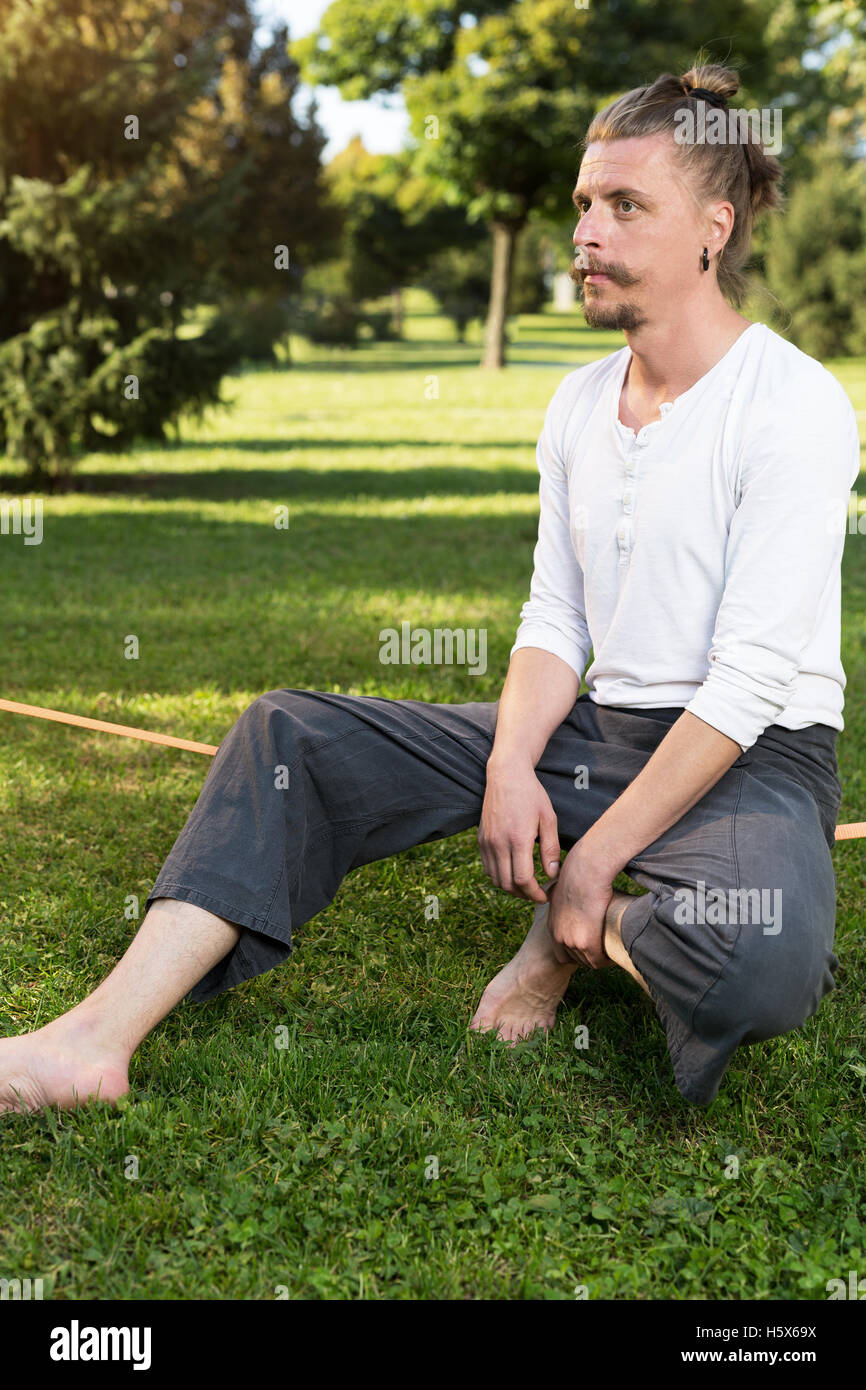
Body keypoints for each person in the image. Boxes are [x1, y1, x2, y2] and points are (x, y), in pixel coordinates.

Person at [1, 63, 858, 1115]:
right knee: (287, 735)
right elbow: (556, 615)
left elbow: (749, 679)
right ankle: (92, 1041)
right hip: (599, 733)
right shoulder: (577, 402)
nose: (586, 231)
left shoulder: (792, 404)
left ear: (710, 229)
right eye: (584, 203)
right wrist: (508, 762)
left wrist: (583, 883)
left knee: (761, 954)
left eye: (625, 206)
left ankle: (577, 935)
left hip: (753, 758)